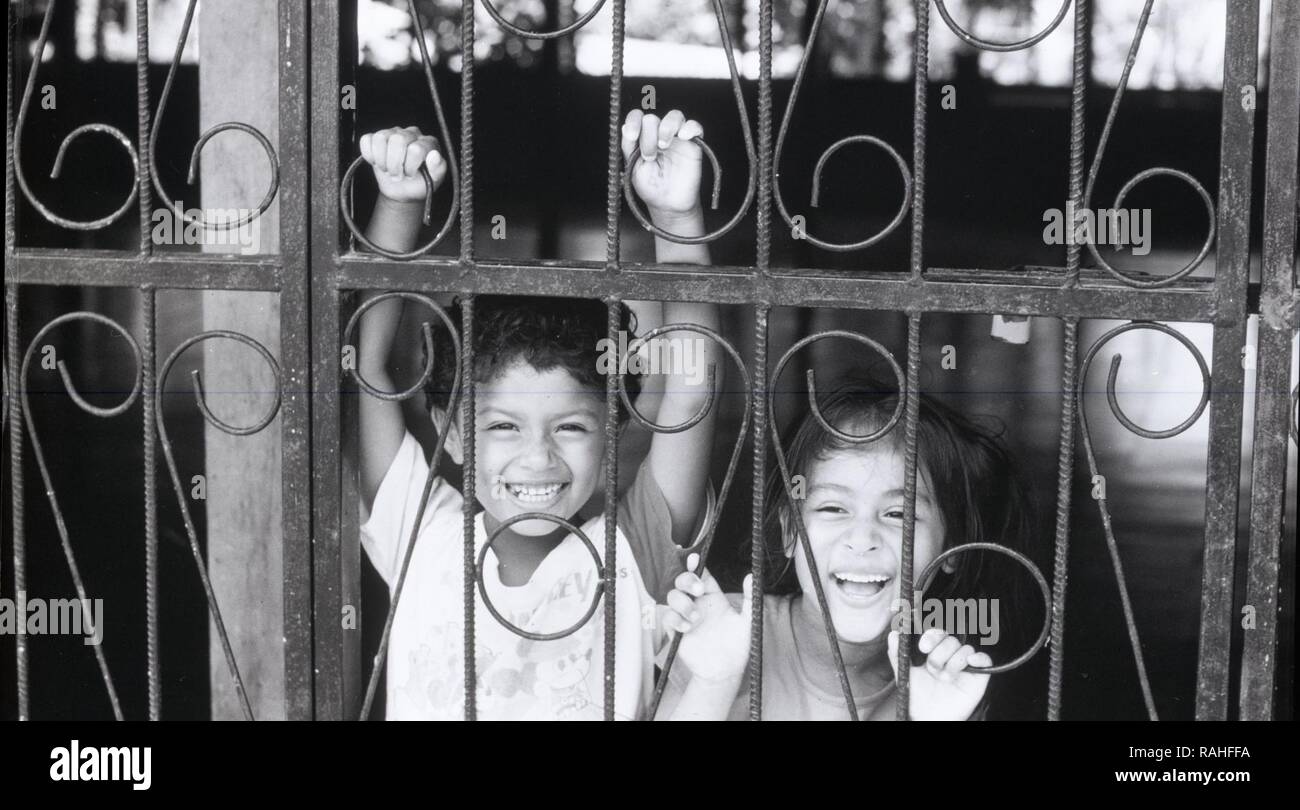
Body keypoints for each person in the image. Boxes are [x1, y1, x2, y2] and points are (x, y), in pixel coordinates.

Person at [356, 110, 723, 719]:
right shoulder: (420, 535)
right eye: (502, 425)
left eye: (572, 426)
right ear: (450, 433)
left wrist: (676, 217)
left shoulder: (634, 554)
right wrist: (398, 203)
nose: (537, 456)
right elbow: (366, 369)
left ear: (613, 432)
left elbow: (689, 392)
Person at [658, 377, 1037, 720]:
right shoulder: (721, 630)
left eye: (897, 514)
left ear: (950, 548)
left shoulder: (944, 680)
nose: (862, 538)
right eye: (833, 508)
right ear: (790, 531)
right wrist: (714, 682)